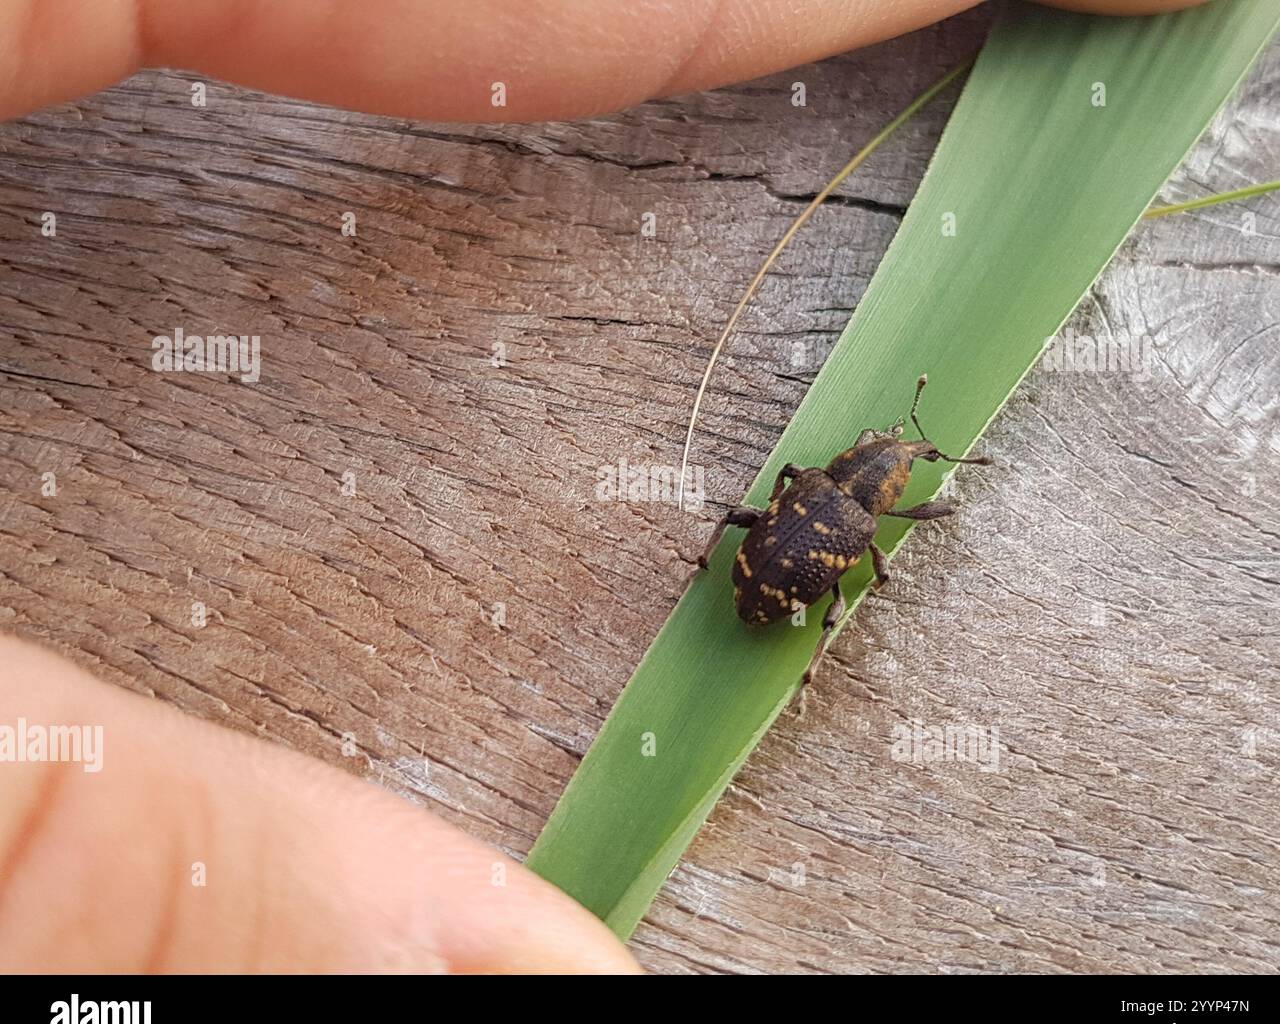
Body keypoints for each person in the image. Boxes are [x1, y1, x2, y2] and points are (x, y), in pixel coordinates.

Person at [0, 0, 1202, 974]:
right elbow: (827, 527)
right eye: (891, 460)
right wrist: (820, 584)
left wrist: (793, 561)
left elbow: (798, 512)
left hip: (764, 575)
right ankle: (789, 607)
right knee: (813, 575)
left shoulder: (816, 498)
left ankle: (776, 596)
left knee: (793, 562)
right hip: (769, 584)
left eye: (895, 464)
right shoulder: (841, 513)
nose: (887, 461)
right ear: (862, 479)